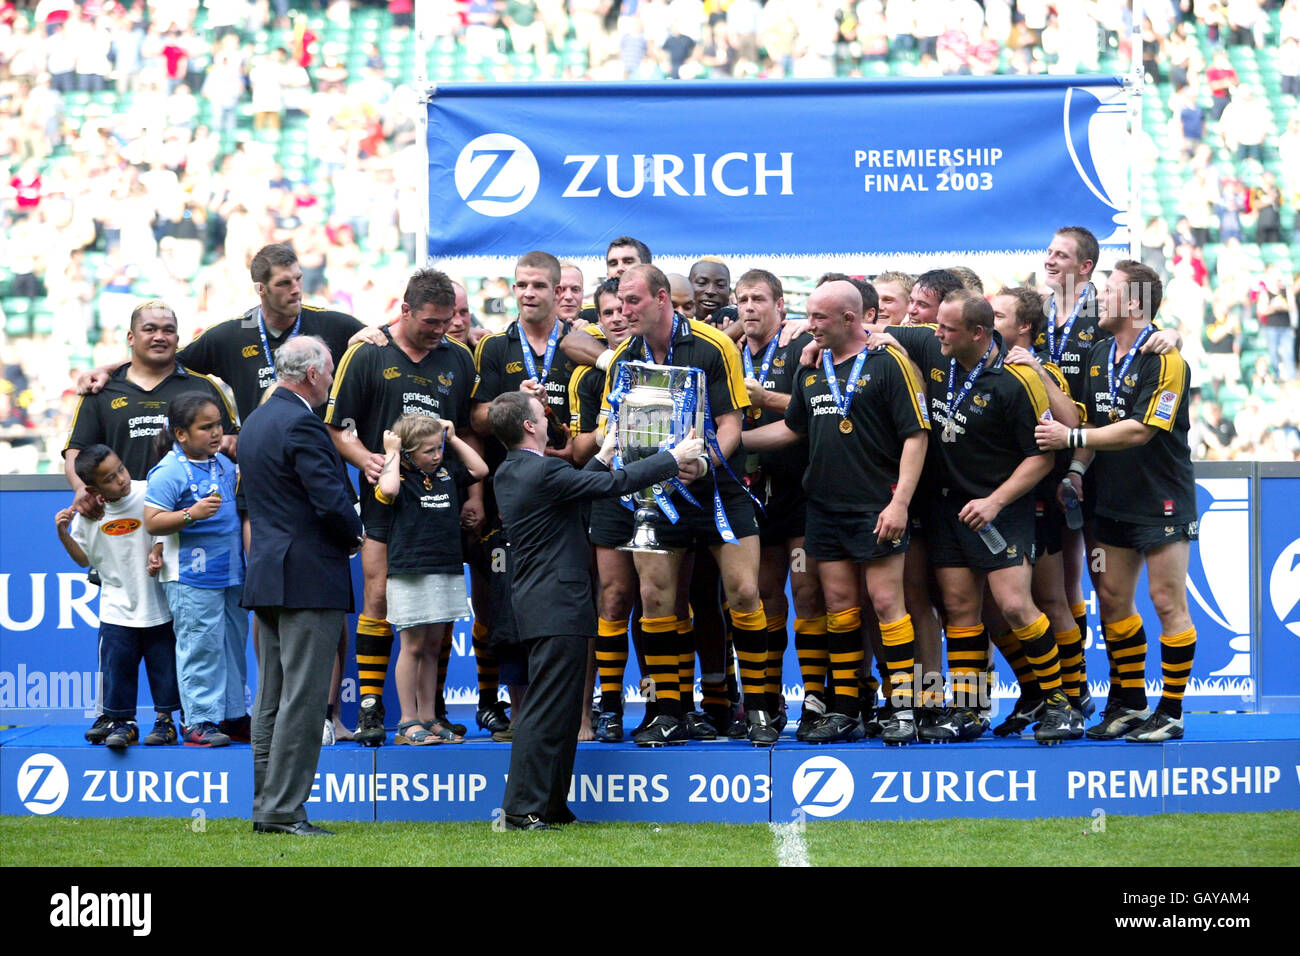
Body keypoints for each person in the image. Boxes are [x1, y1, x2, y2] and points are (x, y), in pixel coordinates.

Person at [488, 389, 704, 830]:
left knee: (562, 710)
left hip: (546, 603)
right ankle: (523, 808)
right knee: (546, 711)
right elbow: (612, 487)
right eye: (541, 415)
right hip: (556, 605)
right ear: (529, 426)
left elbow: (577, 486)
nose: (548, 419)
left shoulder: (514, 470)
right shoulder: (543, 470)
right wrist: (671, 457)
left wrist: (604, 453)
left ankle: (549, 806)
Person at [872, 290, 1080, 744]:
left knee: (1013, 605)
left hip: (1000, 509)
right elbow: (874, 330)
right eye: (938, 326)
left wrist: (997, 502)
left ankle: (1061, 703)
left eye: (947, 329)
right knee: (961, 609)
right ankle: (968, 711)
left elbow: (1042, 456)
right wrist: (804, 336)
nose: (937, 334)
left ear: (978, 333)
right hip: (948, 507)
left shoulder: (1015, 378)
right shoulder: (934, 346)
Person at [744, 280, 928, 744]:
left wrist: (900, 502)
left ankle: (902, 709)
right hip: (822, 508)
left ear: (851, 319)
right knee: (839, 609)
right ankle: (844, 708)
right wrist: (726, 446)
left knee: (887, 605)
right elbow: (792, 431)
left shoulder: (888, 364)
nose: (810, 327)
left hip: (876, 506)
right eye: (809, 316)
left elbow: (916, 435)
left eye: (820, 319)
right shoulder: (811, 368)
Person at [600, 264, 769, 746]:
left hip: (715, 486)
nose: (623, 311)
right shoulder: (621, 360)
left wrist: (705, 460)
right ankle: (666, 712)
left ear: (660, 298)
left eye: (632, 301)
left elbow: (731, 422)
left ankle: (758, 709)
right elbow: (613, 429)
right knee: (655, 599)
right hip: (653, 492)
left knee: (743, 591)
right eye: (619, 302)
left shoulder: (713, 347)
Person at [1036, 261, 1198, 742]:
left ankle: (1170, 712)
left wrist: (1070, 437)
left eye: (1107, 291)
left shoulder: (1165, 358)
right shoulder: (1099, 352)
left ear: (1133, 304)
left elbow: (1141, 429)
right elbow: (1089, 420)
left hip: (1161, 499)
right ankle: (1128, 703)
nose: (1097, 299)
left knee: (1167, 600)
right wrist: (1077, 468)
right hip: (1109, 499)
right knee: (1111, 601)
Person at [325, 269, 478, 745]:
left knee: (437, 609)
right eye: (431, 322)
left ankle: (432, 710)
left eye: (447, 321)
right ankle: (374, 708)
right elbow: (336, 428)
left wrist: (473, 494)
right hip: (386, 497)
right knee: (378, 597)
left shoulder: (459, 357)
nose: (440, 331)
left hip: (440, 502)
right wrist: (365, 458)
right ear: (405, 310)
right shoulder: (367, 354)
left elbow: (467, 431)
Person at [240, 336, 363, 835]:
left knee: (270, 696)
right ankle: (284, 809)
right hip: (308, 576)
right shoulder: (302, 423)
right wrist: (354, 533)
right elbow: (331, 501)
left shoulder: (256, 421)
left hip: (268, 571)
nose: (332, 381)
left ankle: (267, 804)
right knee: (303, 699)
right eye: (330, 372)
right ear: (312, 375)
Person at [733, 270, 828, 740]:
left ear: (779, 304)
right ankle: (765, 701)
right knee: (763, 595)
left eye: (758, 299)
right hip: (751, 491)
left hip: (802, 490)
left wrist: (759, 406)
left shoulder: (802, 346)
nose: (749, 308)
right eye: (743, 300)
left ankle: (814, 698)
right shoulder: (729, 353)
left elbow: (816, 413)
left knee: (808, 594)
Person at [64, 300, 238, 515]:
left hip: (193, 516)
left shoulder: (204, 387)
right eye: (149, 329)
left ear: (177, 339)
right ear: (131, 337)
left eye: (168, 330)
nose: (159, 336)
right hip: (123, 512)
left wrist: (230, 442)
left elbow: (233, 443)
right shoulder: (101, 391)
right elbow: (76, 451)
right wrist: (81, 488)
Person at [374, 414, 487, 744]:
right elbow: (389, 488)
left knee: (433, 647)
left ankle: (428, 716)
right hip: (410, 571)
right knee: (412, 647)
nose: (436, 456)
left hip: (446, 567)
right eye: (427, 451)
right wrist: (392, 451)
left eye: (438, 449)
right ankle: (407, 721)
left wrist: (451, 439)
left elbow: (480, 470)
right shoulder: (398, 474)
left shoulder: (447, 470)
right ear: (408, 453)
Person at [56, 445, 179, 749]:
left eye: (121, 469)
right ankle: (124, 723)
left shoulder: (149, 492)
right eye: (110, 479)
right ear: (93, 488)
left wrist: (158, 549)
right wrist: (63, 534)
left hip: (158, 605)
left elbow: (169, 529)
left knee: (165, 669)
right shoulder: (88, 516)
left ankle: (166, 723)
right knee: (117, 671)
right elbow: (84, 560)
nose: (122, 479)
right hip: (115, 611)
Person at [143, 392, 246, 747]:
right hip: (191, 577)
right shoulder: (169, 471)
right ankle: (199, 720)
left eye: (218, 424)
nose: (216, 433)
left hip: (231, 573)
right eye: (206, 427)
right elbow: (152, 522)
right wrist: (191, 514)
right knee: (200, 647)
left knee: (232, 645)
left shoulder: (222, 463)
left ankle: (233, 715)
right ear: (181, 434)